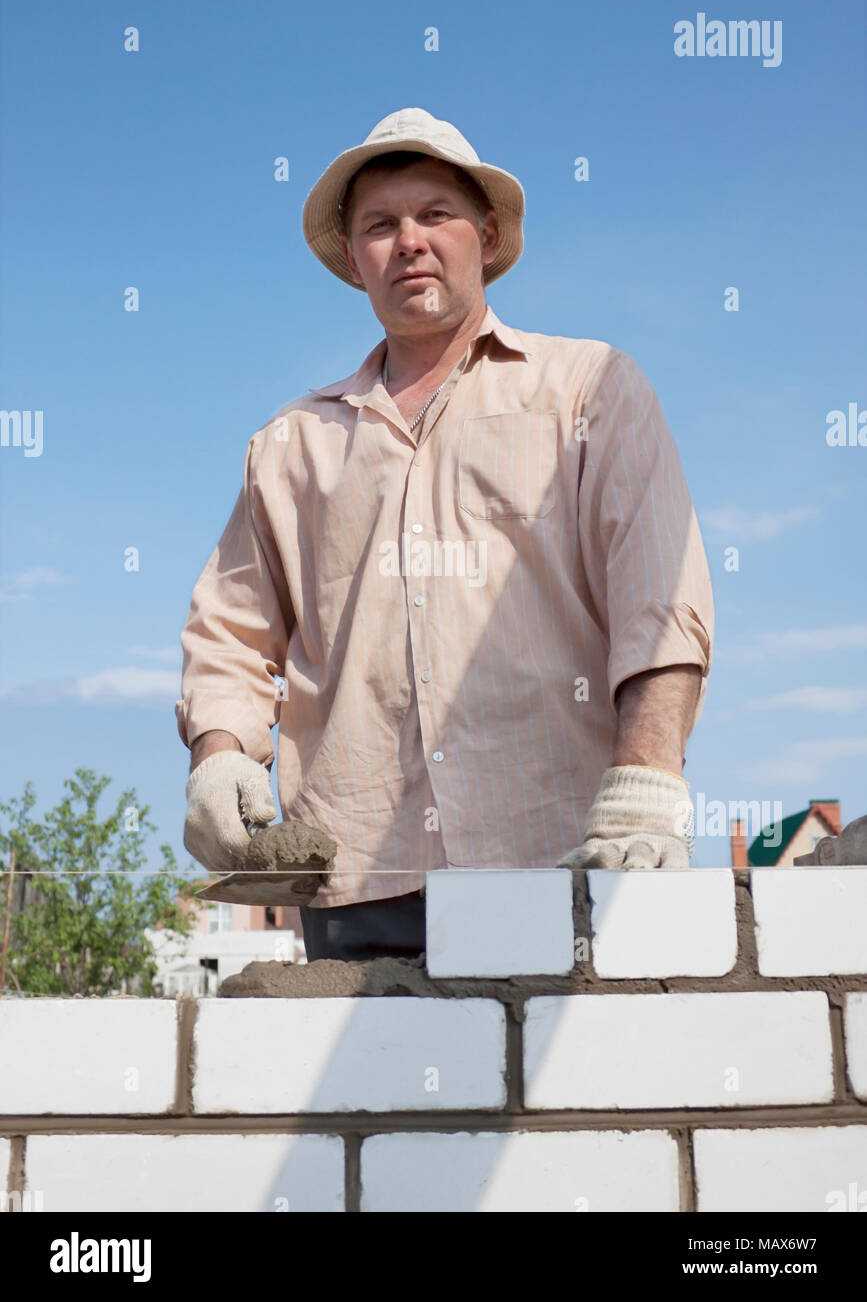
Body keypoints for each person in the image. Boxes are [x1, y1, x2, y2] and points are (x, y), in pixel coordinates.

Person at [176, 107, 714, 962]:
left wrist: (649, 778)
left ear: (488, 237)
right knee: (379, 1101)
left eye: (435, 215)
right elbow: (232, 633)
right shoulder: (290, 447)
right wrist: (221, 753)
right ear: (354, 260)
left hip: (565, 854)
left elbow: (659, 593)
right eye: (380, 226)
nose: (409, 242)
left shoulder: (588, 391)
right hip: (360, 881)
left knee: (584, 1098)